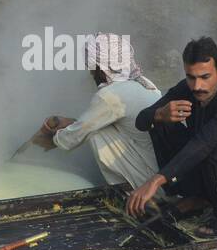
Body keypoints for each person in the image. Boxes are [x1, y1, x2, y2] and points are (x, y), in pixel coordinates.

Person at [126, 37, 217, 236]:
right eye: (191, 77)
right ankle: (197, 197)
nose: (197, 86)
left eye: (205, 77)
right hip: (210, 174)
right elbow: (141, 121)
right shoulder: (186, 89)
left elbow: (204, 143)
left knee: (213, 146)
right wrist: (159, 114)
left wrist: (155, 181)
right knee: (162, 122)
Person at [35, 33, 162, 188]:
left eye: (92, 67)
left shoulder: (111, 95)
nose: (90, 73)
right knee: (93, 125)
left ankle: (126, 190)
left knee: (95, 131)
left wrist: (49, 139)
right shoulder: (144, 83)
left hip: (150, 185)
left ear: (101, 69)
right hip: (162, 173)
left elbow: (73, 137)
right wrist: (74, 123)